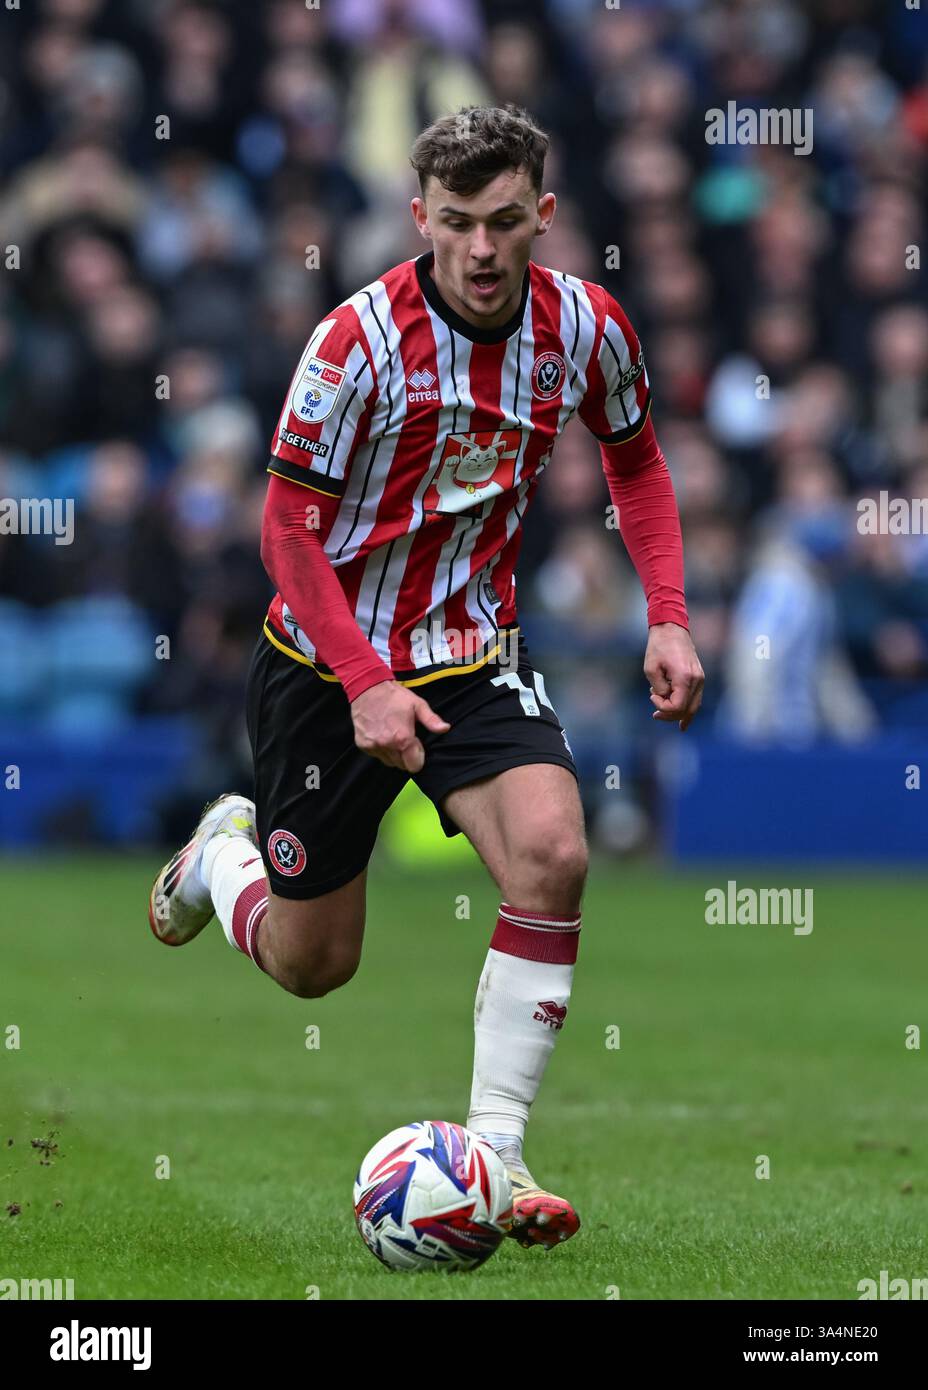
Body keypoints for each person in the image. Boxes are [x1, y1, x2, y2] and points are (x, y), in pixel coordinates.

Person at [148, 104, 704, 1250]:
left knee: (554, 853)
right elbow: (285, 534)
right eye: (457, 223)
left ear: (542, 215)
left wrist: (669, 618)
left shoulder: (585, 327)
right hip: (323, 662)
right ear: (420, 218)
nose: (484, 250)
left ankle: (494, 1157)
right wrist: (359, 681)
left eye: (506, 222)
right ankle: (221, 853)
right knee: (314, 966)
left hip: (472, 656)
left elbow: (637, 459)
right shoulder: (355, 343)